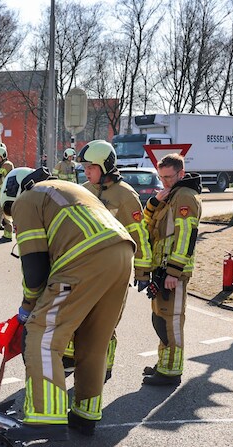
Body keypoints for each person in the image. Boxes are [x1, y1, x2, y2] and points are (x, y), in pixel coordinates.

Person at [1, 166, 135, 435]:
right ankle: (85, 415)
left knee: (42, 332)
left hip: (85, 257)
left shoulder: (28, 198)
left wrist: (28, 309)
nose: (14, 220)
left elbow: (35, 267)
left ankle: (46, 418)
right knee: (94, 340)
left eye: (10, 210)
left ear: (14, 191)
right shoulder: (69, 189)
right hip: (121, 254)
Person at [60, 140, 154, 379]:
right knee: (75, 314)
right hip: (84, 267)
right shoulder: (83, 190)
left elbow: (138, 233)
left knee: (105, 321)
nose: (86, 171)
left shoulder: (125, 196)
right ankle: (70, 358)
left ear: (106, 166)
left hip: (114, 270)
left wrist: (143, 271)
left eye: (91, 167)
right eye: (85, 167)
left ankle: (104, 367)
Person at [142, 153, 202, 387]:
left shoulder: (185, 196)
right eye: (161, 177)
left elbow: (187, 235)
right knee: (161, 319)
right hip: (162, 269)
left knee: (171, 321)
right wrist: (154, 202)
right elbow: (149, 225)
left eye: (168, 177)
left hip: (171, 272)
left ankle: (171, 371)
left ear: (181, 174)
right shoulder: (171, 195)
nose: (164, 182)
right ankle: (164, 364)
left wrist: (174, 272)